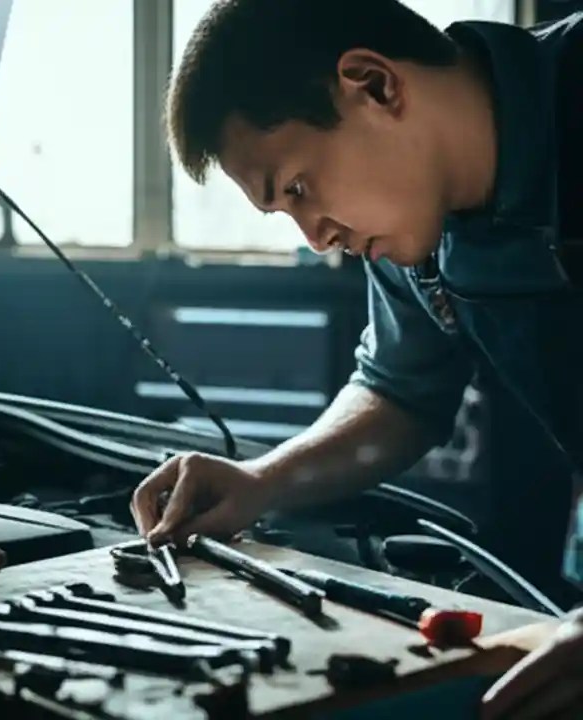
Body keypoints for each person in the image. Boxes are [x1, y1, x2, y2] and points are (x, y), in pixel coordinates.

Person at [129, 1, 583, 718]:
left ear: (374, 86)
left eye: (300, 189)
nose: (317, 239)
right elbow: (400, 394)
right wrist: (262, 479)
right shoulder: (411, 225)